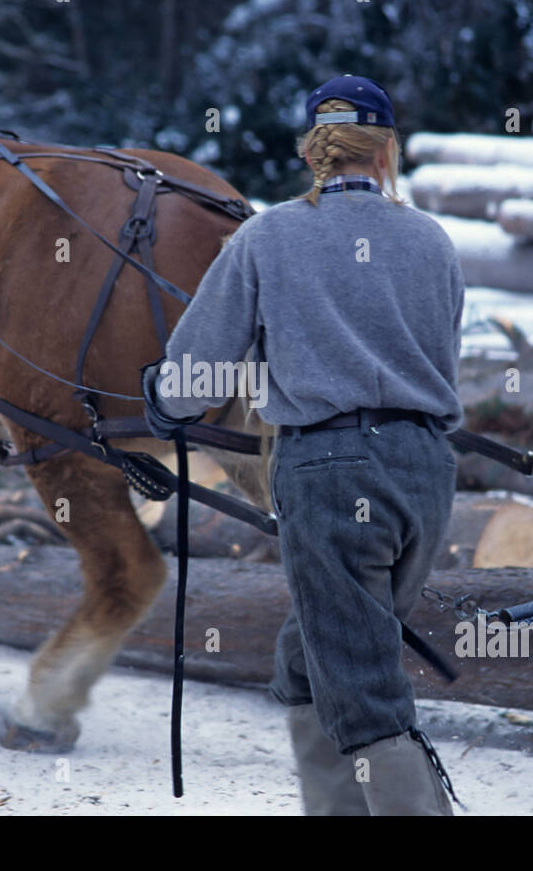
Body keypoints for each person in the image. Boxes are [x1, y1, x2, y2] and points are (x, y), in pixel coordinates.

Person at [142, 75, 464, 816]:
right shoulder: (431, 239)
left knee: (360, 681)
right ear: (386, 150)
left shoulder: (268, 236)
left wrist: (161, 401)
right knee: (309, 654)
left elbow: (196, 372)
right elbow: (441, 363)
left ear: (312, 151)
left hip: (327, 472)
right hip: (425, 472)